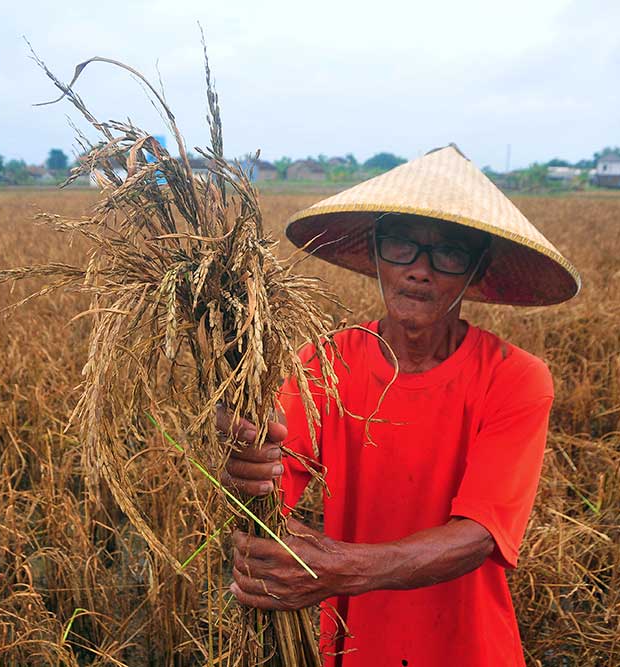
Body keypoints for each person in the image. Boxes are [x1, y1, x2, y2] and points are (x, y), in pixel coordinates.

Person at [220, 145, 581, 666]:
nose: (419, 271)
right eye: (401, 246)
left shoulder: (515, 378)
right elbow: (271, 482)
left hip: (467, 648)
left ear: (476, 271)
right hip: (354, 647)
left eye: (450, 252)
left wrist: (336, 567)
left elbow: (479, 536)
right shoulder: (325, 362)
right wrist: (242, 455)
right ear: (375, 255)